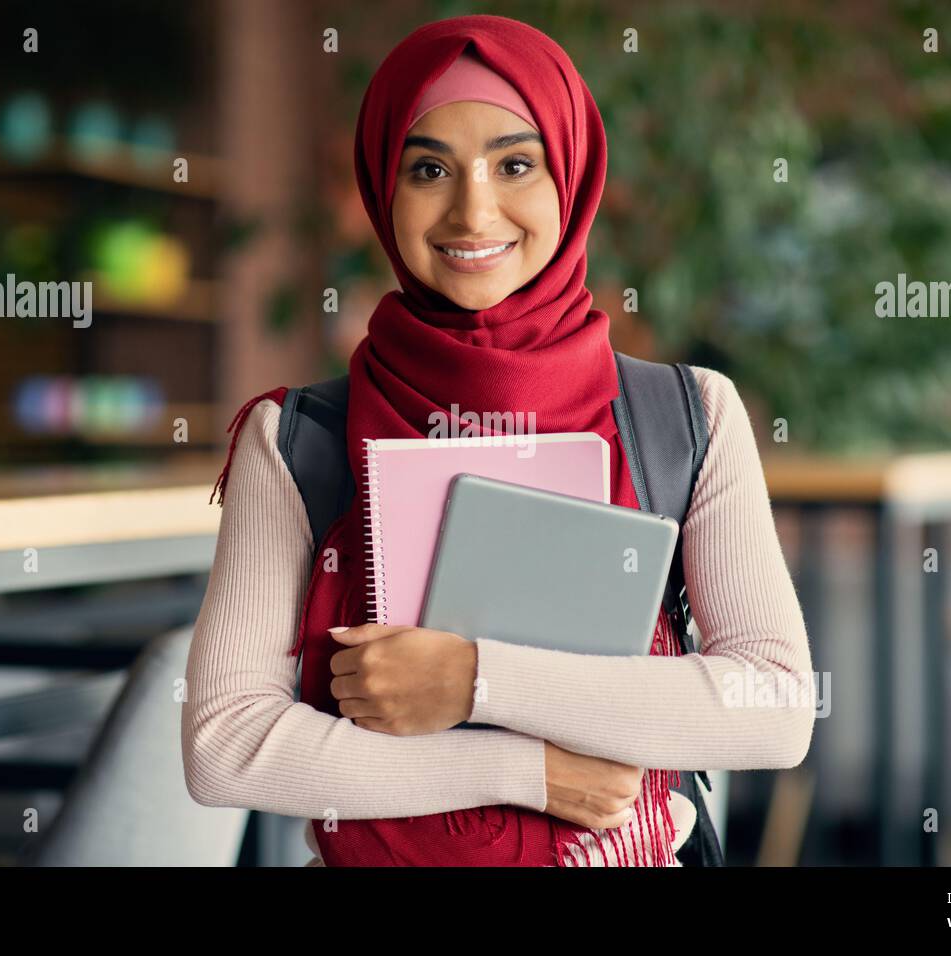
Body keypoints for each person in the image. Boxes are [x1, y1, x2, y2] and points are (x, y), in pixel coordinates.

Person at [182, 14, 814, 867]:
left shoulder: (688, 416)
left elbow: (775, 709)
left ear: (574, 176)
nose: (472, 209)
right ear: (382, 189)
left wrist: (472, 679)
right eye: (430, 168)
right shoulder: (296, 442)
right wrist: (525, 771)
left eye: (516, 164)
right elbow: (224, 744)